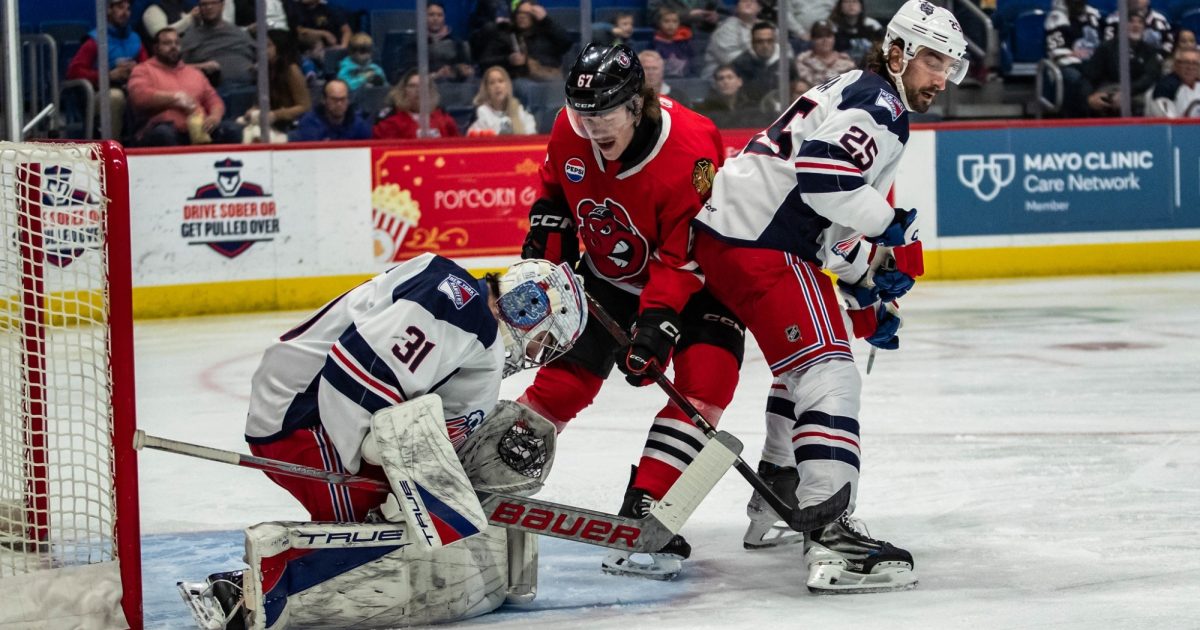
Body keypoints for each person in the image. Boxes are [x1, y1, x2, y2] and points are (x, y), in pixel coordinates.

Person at [690, 0, 970, 594]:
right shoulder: (882, 105)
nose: (941, 79)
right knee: (830, 373)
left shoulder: (856, 87)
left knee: (801, 369)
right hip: (763, 244)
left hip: (732, 236)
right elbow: (825, 176)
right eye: (932, 61)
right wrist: (890, 227)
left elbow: (826, 219)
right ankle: (830, 533)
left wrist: (870, 278)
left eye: (950, 66)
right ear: (897, 51)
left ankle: (775, 508)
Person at [181, 254, 586, 629]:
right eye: (543, 339)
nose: (536, 351)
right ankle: (241, 594)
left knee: (408, 525)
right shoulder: (462, 310)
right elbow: (356, 379)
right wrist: (395, 481)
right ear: (526, 306)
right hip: (304, 417)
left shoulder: (466, 312)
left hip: (314, 410)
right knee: (388, 541)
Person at [517, 43, 746, 580]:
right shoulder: (568, 127)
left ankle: (648, 502)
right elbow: (555, 191)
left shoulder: (691, 147)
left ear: (636, 106)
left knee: (707, 384)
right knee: (562, 386)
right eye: (581, 113)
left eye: (603, 115)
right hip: (610, 275)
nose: (590, 126)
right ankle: (489, 476)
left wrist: (656, 327)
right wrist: (546, 253)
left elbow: (683, 255)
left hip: (701, 279)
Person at [127, 27, 241, 145]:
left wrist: (214, 117)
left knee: (231, 130)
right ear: (156, 48)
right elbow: (139, 97)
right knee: (163, 134)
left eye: (177, 43)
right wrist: (175, 98)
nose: (173, 47)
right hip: (160, 130)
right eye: (167, 43)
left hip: (197, 130)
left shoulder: (194, 73)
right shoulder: (143, 70)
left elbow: (214, 99)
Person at [65, 0, 147, 141]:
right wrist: (107, 76)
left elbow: (148, 68)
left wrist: (136, 69)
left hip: (130, 89)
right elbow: (73, 71)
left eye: (128, 9)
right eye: (120, 7)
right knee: (115, 97)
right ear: (109, 10)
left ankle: (145, 144)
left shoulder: (135, 39)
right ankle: (111, 147)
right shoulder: (94, 40)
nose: (125, 12)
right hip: (99, 94)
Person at [1080, 11, 1161, 116]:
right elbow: (1088, 76)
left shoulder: (1149, 51)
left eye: (1140, 22)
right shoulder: (1106, 48)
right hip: (1109, 91)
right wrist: (1089, 98)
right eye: (1130, 21)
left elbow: (1150, 77)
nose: (1136, 25)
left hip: (1138, 92)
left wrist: (1127, 92)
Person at [240, 29, 310, 141]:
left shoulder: (292, 70)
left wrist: (276, 115)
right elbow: (259, 102)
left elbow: (304, 106)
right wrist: (253, 110)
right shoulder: (264, 70)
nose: (264, 50)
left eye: (269, 45)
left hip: (288, 124)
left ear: (280, 47)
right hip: (267, 122)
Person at [180, 0, 257, 88]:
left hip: (251, 87)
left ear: (222, 5)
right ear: (199, 8)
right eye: (204, 4)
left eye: (213, 3)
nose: (209, 7)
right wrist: (200, 67)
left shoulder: (238, 32)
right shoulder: (191, 37)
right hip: (214, 91)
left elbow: (261, 54)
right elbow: (178, 68)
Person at [373, 69, 461, 139]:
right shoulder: (390, 123)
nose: (418, 90)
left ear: (430, 90)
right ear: (403, 90)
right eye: (412, 86)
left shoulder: (445, 120)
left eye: (423, 86)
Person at [290, 78, 373, 140]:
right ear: (323, 100)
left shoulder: (358, 124)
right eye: (334, 99)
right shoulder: (310, 123)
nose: (339, 104)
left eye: (343, 99)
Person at [732, 21, 795, 101]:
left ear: (775, 41)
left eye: (769, 41)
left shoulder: (787, 63)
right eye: (759, 41)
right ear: (752, 43)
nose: (765, 46)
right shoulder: (740, 64)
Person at [467, 66, 538, 135]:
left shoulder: (518, 108)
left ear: (507, 85)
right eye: (492, 83)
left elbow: (530, 131)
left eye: (501, 81)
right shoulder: (482, 112)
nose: (497, 86)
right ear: (487, 89)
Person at [702, 0, 761, 80]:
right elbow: (738, 63)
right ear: (736, 8)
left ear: (759, 8)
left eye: (753, 1)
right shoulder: (725, 28)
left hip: (751, 78)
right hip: (717, 83)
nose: (748, 3)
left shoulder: (768, 27)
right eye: (743, 1)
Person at [695, 63, 763, 128]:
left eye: (730, 77)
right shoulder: (705, 109)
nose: (725, 82)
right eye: (721, 78)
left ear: (739, 82)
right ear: (715, 84)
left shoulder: (751, 106)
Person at [1101, 0, 1172, 59]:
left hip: (1153, 66)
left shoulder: (1160, 21)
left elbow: (1169, 43)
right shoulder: (1114, 20)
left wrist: (1157, 58)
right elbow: (1108, 46)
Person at [794, 20, 856, 87]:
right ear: (812, 39)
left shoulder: (845, 59)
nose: (825, 40)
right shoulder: (804, 59)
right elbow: (807, 84)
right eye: (819, 37)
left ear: (834, 38)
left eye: (828, 36)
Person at [427, 1, 475, 81]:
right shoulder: (415, 43)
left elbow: (470, 70)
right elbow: (408, 75)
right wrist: (436, 75)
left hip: (456, 88)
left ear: (444, 17)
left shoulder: (458, 42)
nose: (435, 18)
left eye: (440, 15)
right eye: (431, 15)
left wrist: (463, 71)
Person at [829, 0, 883, 65]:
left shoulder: (873, 26)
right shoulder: (832, 27)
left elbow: (881, 49)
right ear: (840, 7)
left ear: (861, 6)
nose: (851, 5)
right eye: (846, 1)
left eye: (854, 1)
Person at [1151, 46, 1200, 117]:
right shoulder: (1165, 88)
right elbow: (1169, 121)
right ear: (1176, 65)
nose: (1190, 67)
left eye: (1195, 63)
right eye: (1186, 63)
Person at [650, 7, 696, 78]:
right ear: (659, 23)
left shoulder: (685, 42)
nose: (671, 25)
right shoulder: (654, 44)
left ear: (679, 24)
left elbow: (692, 63)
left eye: (675, 21)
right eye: (666, 21)